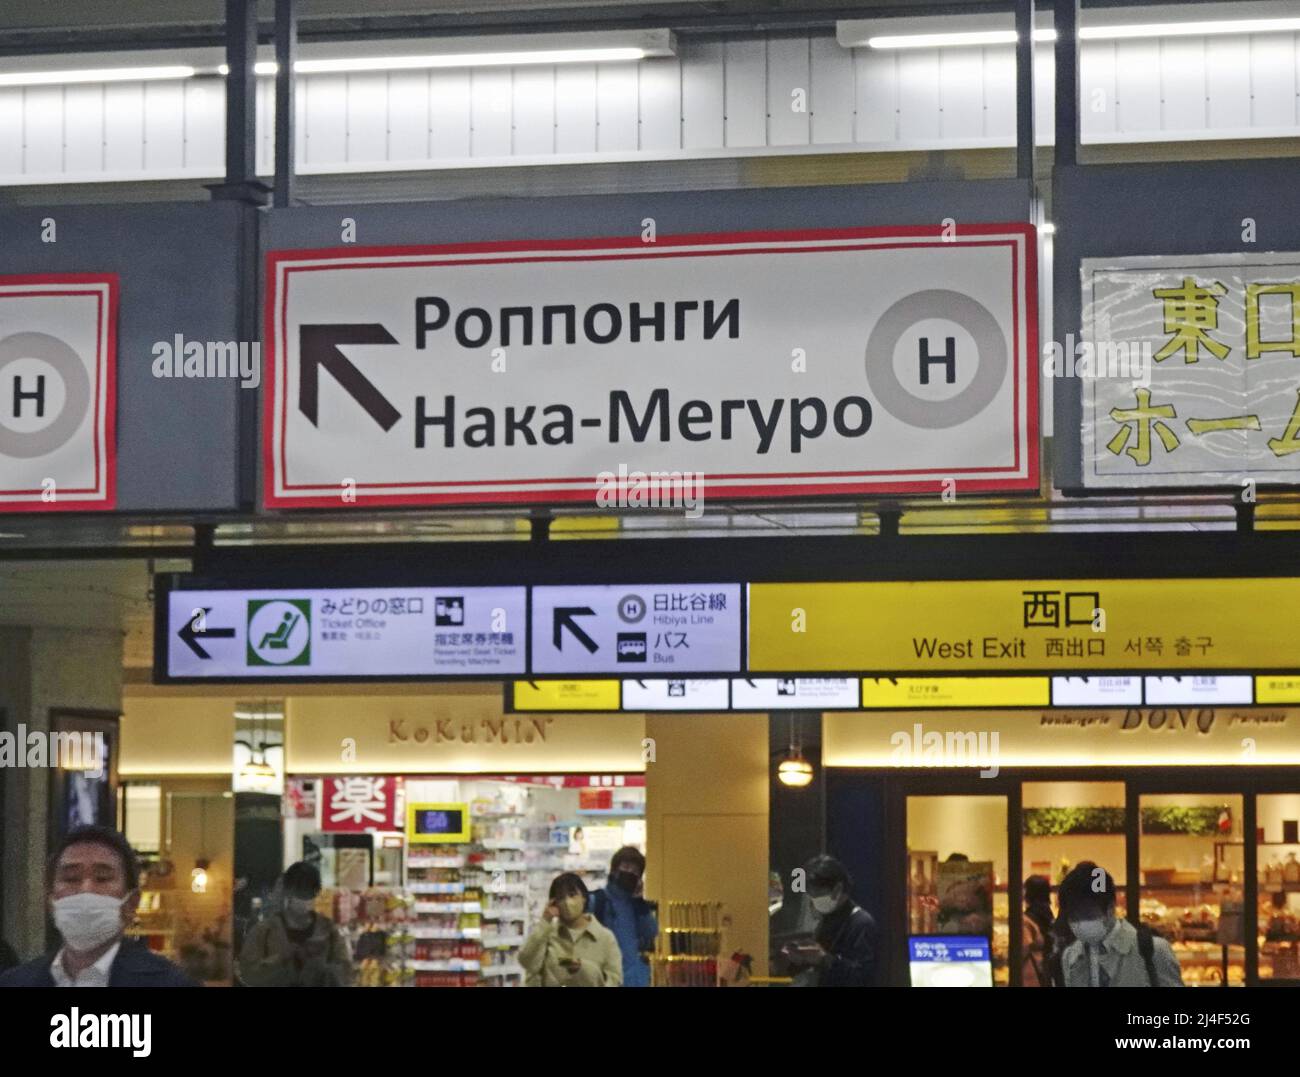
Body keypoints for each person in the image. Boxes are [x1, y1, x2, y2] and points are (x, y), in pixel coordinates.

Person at [0, 824, 196, 987]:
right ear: (50, 900)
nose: (86, 889)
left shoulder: (170, 983)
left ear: (131, 903)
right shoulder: (15, 982)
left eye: (102, 878)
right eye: (71, 878)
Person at [1057, 861, 1183, 987]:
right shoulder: (1071, 956)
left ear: (1110, 908)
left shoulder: (1153, 951)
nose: (1080, 923)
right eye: (1073, 917)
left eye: (1088, 914)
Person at [238, 861, 353, 987]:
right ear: (288, 892)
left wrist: (318, 966)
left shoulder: (329, 931)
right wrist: (281, 958)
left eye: (309, 894)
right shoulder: (264, 930)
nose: (304, 901)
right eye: (299, 893)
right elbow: (247, 974)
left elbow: (345, 974)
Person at [782, 855, 878, 986]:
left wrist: (824, 959)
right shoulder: (826, 920)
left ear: (837, 889)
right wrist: (800, 961)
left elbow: (862, 976)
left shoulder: (861, 923)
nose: (814, 900)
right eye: (810, 895)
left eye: (817, 894)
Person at [520, 872, 621, 987]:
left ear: (584, 897)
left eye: (572, 895)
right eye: (561, 898)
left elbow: (614, 981)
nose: (567, 902)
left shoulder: (605, 938)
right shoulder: (547, 934)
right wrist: (545, 920)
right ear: (554, 903)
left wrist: (583, 969)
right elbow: (527, 962)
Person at [590, 846, 658, 987]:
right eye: (626, 867)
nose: (630, 873)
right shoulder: (597, 901)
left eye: (635, 871)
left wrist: (639, 901)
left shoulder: (636, 906)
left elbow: (651, 932)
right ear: (614, 870)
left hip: (632, 978)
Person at [1022, 874, 1055, 987]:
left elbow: (1022, 950)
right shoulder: (1049, 915)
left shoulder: (1026, 920)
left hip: (1031, 977)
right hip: (1047, 974)